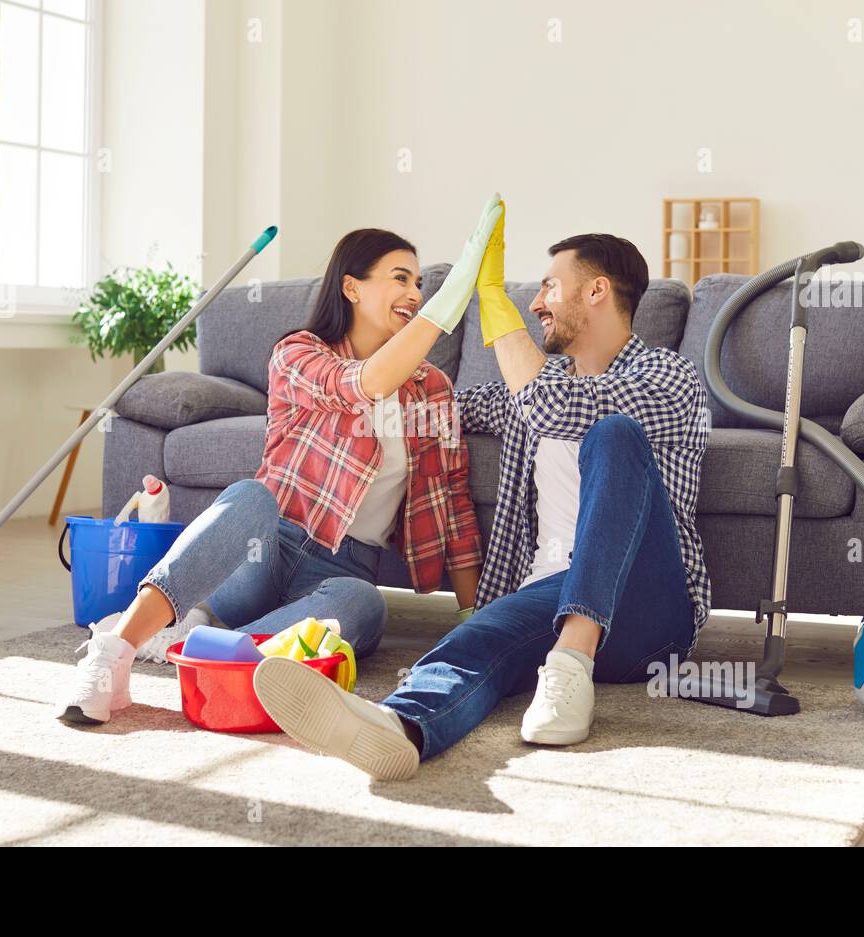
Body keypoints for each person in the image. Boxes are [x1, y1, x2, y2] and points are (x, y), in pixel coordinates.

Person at [253, 202, 711, 780]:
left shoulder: (667, 376)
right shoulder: (522, 392)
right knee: (479, 636)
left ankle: (570, 664)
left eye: (549, 287)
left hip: (648, 612)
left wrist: (492, 298)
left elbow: (553, 408)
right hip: (550, 592)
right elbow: (439, 408)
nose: (537, 303)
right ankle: (398, 727)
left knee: (613, 435)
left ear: (597, 291)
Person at [55, 195, 505, 725]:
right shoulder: (300, 354)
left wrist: (473, 615)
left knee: (365, 606)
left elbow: (451, 505)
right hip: (263, 550)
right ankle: (118, 651)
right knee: (250, 496)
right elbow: (362, 383)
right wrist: (446, 304)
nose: (413, 293)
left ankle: (210, 651)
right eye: (400, 279)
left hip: (343, 570)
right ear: (351, 287)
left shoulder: (432, 388)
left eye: (419, 285)